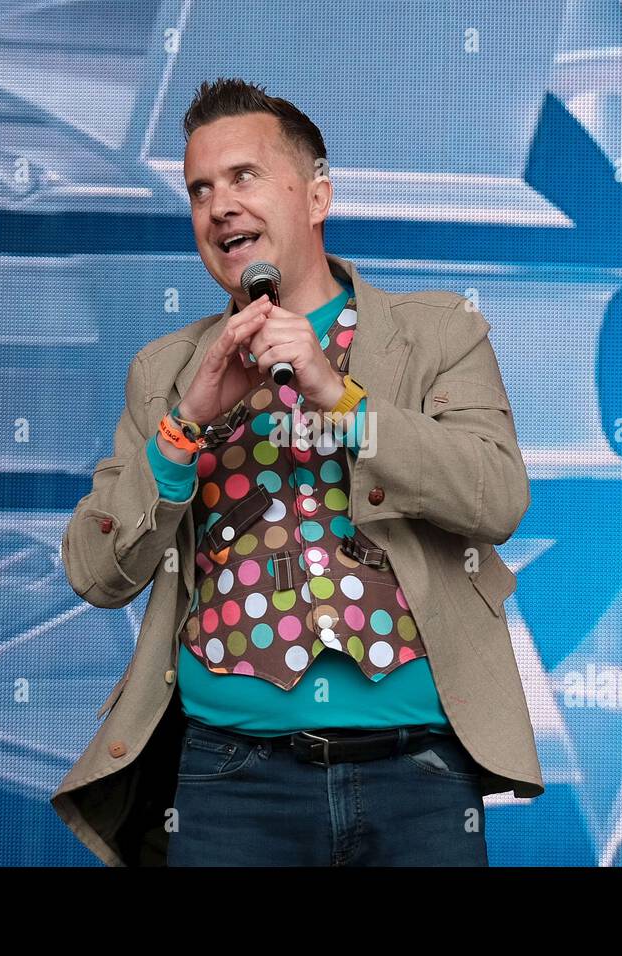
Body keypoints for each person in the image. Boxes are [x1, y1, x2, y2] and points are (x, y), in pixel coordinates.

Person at [51, 77, 543, 866]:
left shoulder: (438, 332)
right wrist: (184, 429)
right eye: (199, 190)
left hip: (418, 774)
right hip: (230, 782)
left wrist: (339, 396)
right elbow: (95, 571)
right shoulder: (165, 371)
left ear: (317, 196)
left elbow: (496, 497)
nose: (218, 206)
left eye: (243, 177)